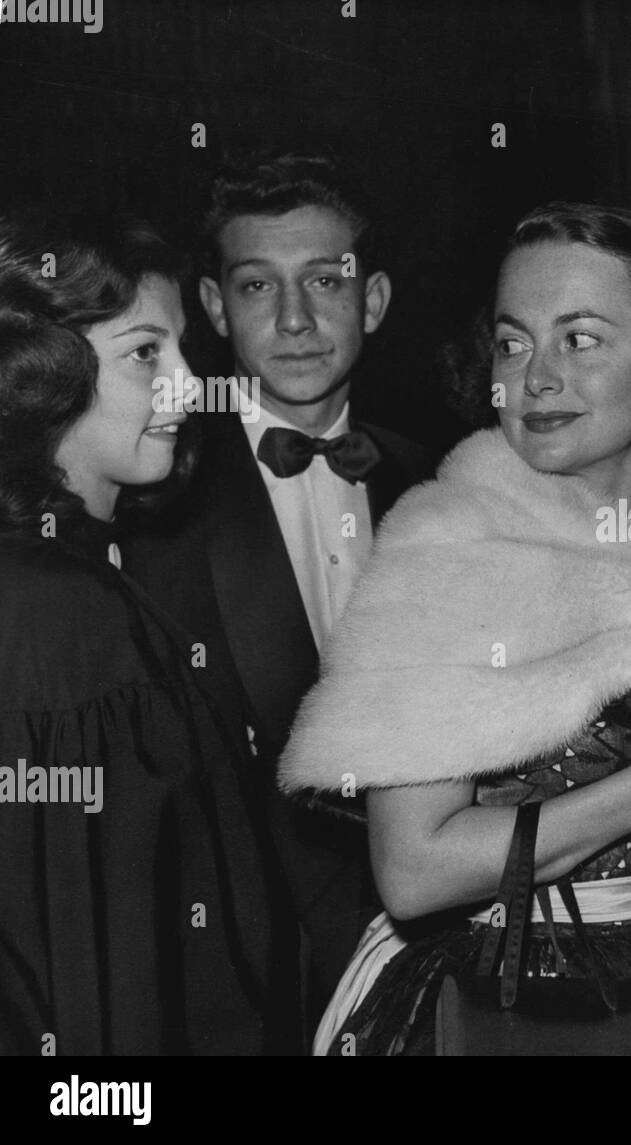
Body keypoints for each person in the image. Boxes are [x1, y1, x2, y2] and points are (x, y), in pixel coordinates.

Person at [279, 201, 631, 1056]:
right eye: (512, 340)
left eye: (579, 339)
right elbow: (413, 872)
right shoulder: (448, 544)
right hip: (500, 1005)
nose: (533, 377)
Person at [125, 151, 435, 1042]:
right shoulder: (154, 496)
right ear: (217, 309)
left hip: (421, 974)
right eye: (259, 286)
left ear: (372, 301)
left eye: (325, 282)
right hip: (223, 993)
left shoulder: (440, 483)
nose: (295, 319)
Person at [0, 213, 291, 1054]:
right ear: (41, 375)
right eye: (144, 354)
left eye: (184, 351)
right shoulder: (72, 617)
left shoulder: (65, 583)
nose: (188, 385)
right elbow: (104, 964)